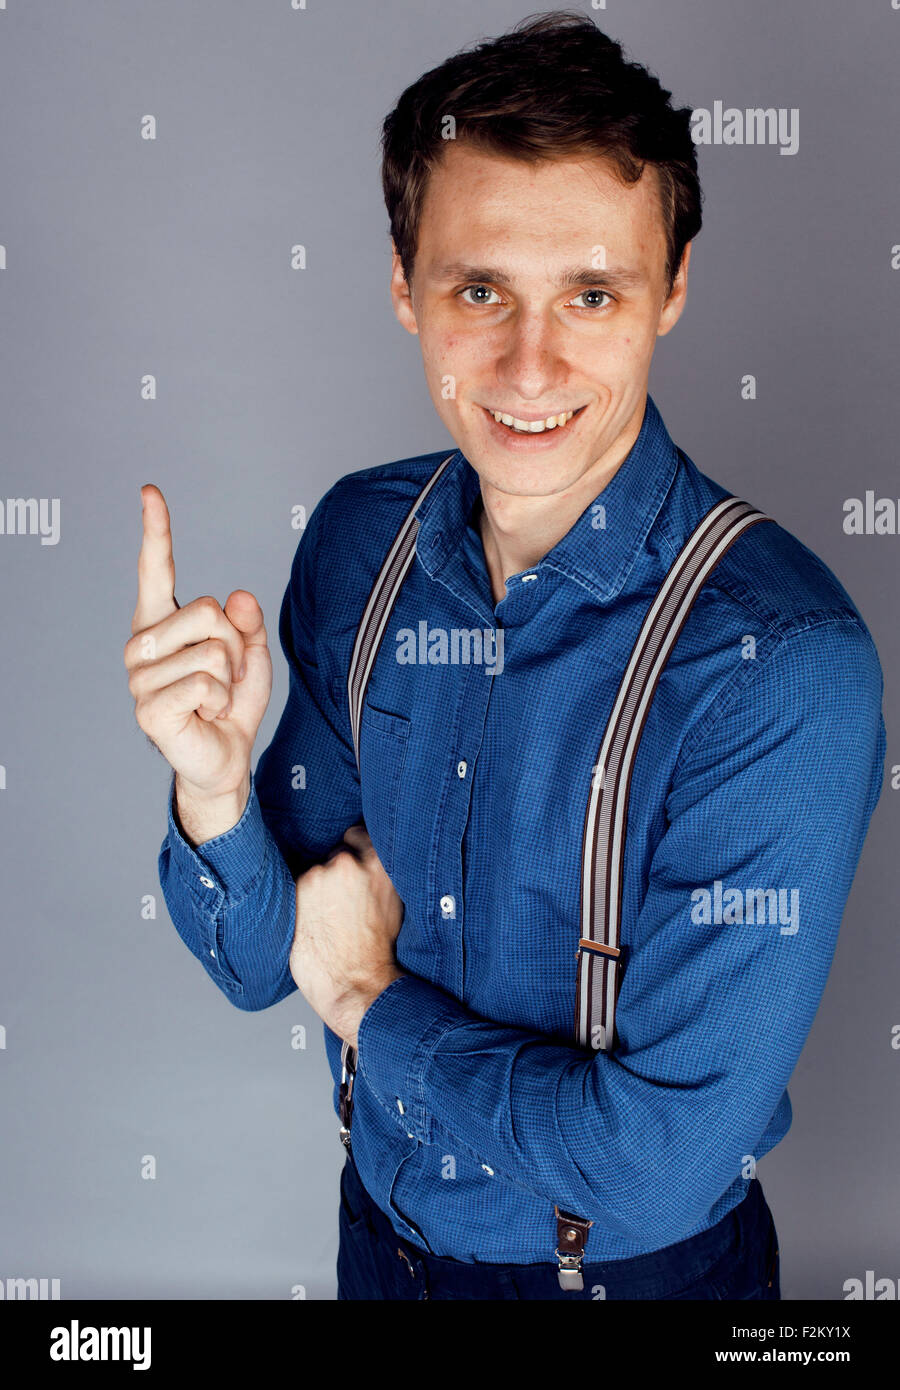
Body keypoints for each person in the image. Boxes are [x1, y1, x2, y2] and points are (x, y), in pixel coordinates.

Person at [124, 13, 885, 1300]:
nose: (532, 367)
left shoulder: (782, 664)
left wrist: (368, 1001)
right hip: (378, 1244)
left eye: (592, 294)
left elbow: (648, 1165)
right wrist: (214, 793)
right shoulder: (362, 541)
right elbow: (261, 963)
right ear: (404, 284)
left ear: (673, 288)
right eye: (479, 291)